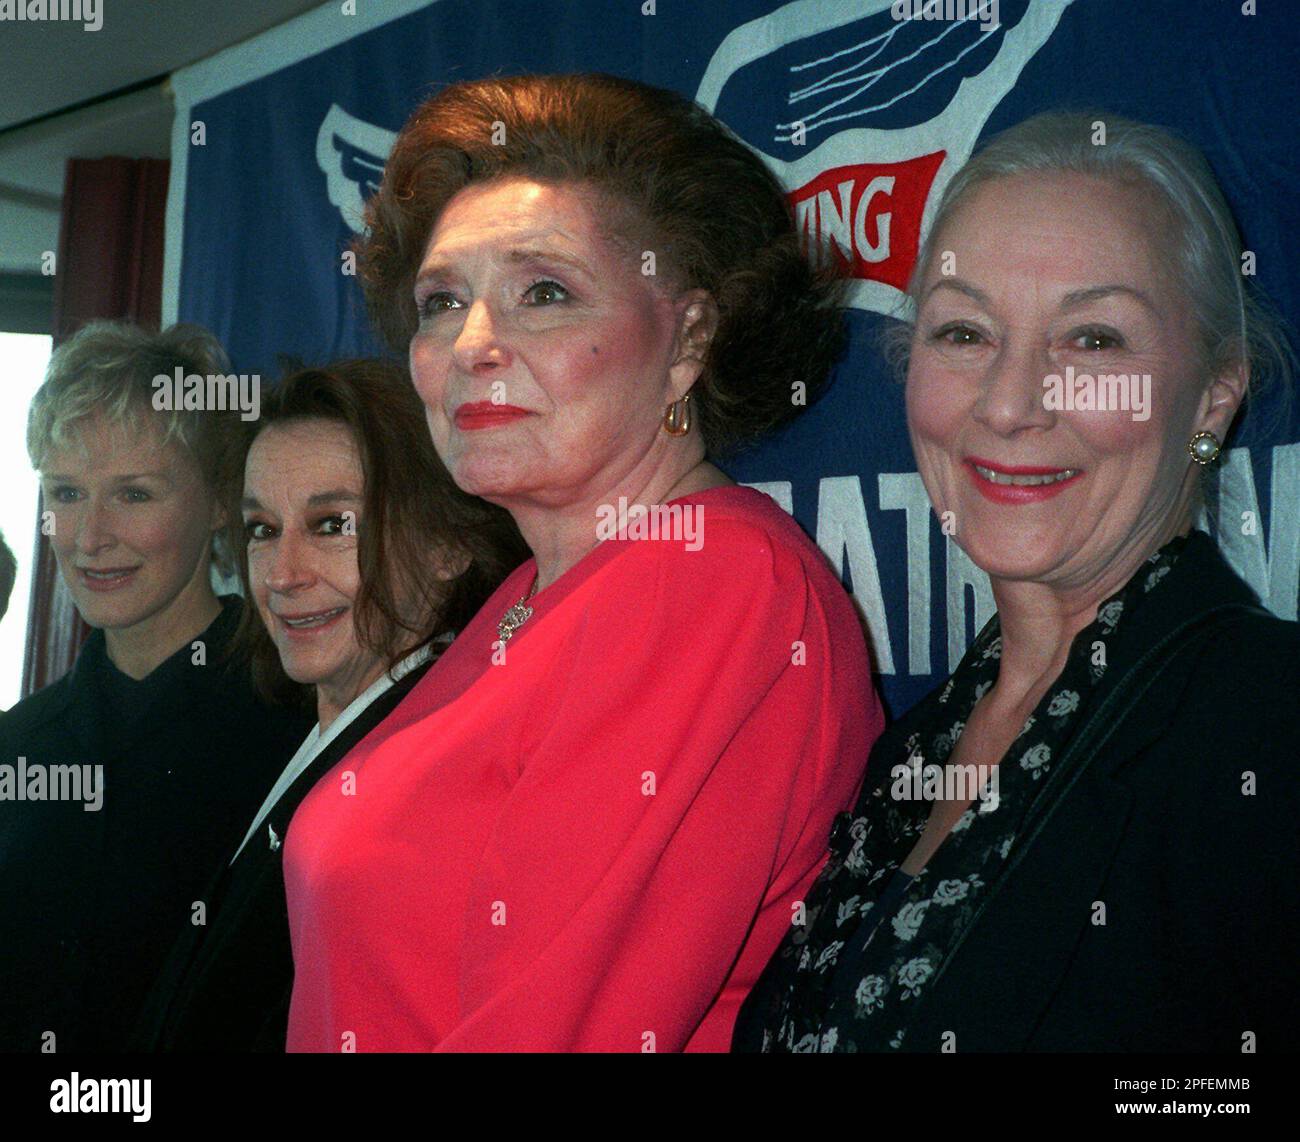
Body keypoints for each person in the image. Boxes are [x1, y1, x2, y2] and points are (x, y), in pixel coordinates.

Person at [282, 72, 883, 1052]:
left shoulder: (712, 581)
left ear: (688, 337)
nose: (473, 342)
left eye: (544, 291)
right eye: (442, 301)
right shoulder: (526, 592)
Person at [734, 111, 1300, 1053]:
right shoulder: (912, 748)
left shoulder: (1271, 726)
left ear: (1212, 396)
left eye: (1092, 342)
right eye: (965, 332)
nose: (1008, 404)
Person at [133, 359, 526, 1050]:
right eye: (261, 528)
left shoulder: (434, 778)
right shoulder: (315, 737)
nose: (283, 575)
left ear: (449, 543)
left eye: (331, 524)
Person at [0, 321, 313, 1052]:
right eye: (68, 492)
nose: (89, 536)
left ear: (216, 505)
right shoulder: (16, 745)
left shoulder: (304, 728)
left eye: (134, 495)